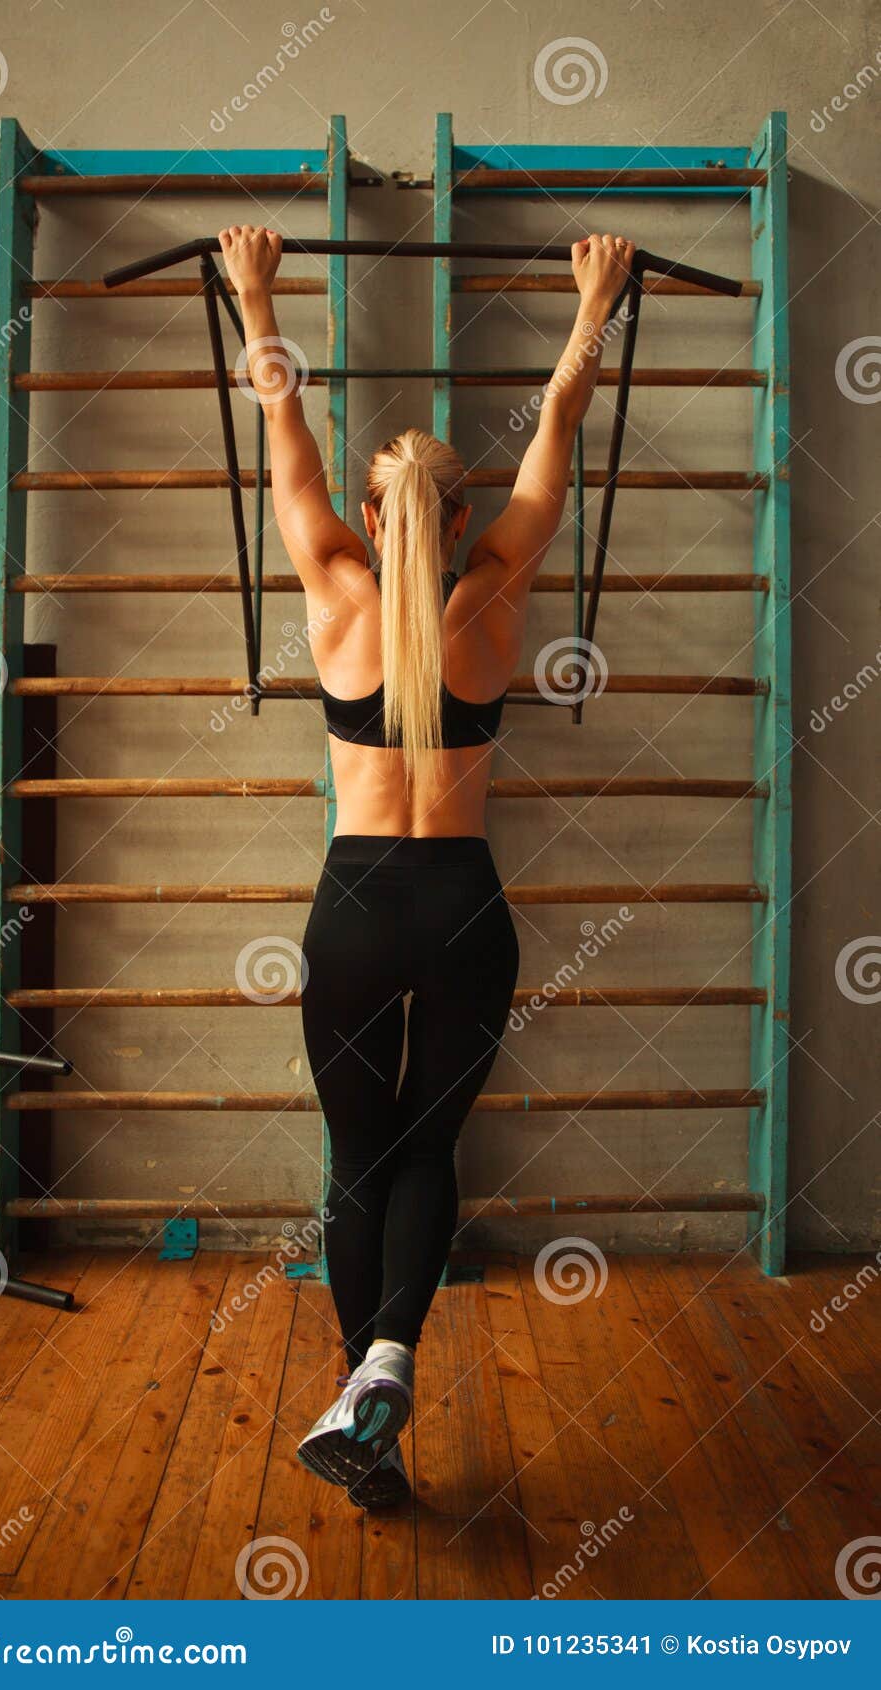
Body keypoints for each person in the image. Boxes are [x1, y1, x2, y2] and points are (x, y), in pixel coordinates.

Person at [218, 224, 635, 1508]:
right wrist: (592, 303)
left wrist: (255, 291)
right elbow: (563, 416)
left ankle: (365, 1402)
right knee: (427, 1150)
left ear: (369, 504)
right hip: (463, 910)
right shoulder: (494, 595)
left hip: (350, 912)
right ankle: (385, 1372)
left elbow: (277, 428)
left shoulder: (331, 586)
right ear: (460, 514)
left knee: (357, 1162)